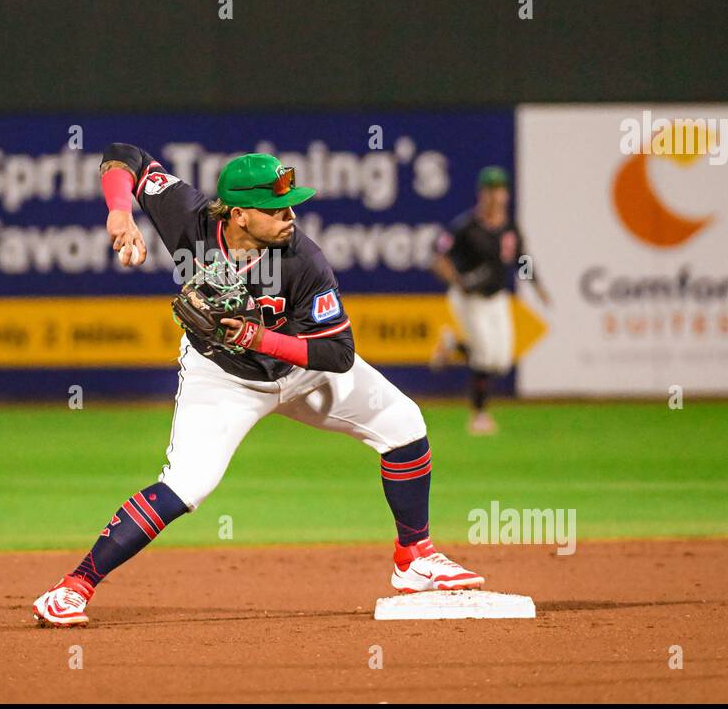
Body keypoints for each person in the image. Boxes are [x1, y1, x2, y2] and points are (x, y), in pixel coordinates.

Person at [31, 144, 485, 627]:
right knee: (187, 486)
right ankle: (74, 587)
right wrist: (120, 213)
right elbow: (124, 157)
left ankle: (413, 557)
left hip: (303, 371)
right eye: (275, 209)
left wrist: (257, 336)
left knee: (403, 424)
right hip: (223, 379)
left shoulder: (304, 258)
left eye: (290, 205)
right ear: (240, 215)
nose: (290, 216)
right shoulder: (188, 217)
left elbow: (338, 353)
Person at [430, 165, 550, 434]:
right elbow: (439, 256)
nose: (496, 196)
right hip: (469, 299)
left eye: (500, 190)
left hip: (497, 298)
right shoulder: (466, 226)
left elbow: (522, 259)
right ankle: (479, 415)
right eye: (491, 190)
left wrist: (537, 286)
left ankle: (453, 344)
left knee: (501, 361)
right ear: (481, 194)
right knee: (484, 357)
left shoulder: (509, 227)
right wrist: (456, 280)